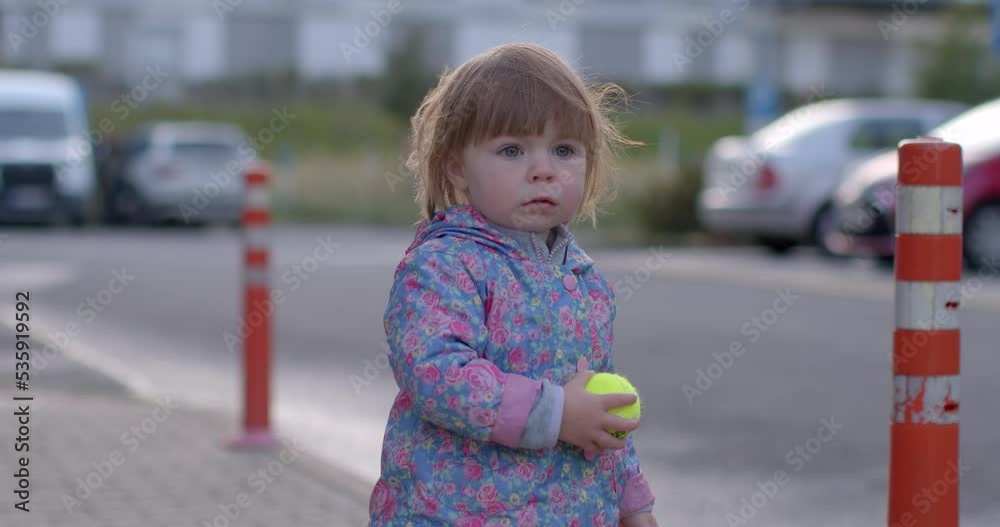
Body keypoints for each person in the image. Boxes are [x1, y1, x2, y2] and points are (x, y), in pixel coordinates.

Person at [368, 42, 658, 526]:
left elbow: (599, 407)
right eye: (511, 149)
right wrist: (557, 412)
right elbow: (437, 373)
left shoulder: (582, 279)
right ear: (457, 166)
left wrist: (632, 502)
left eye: (564, 150)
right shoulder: (445, 264)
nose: (543, 168)